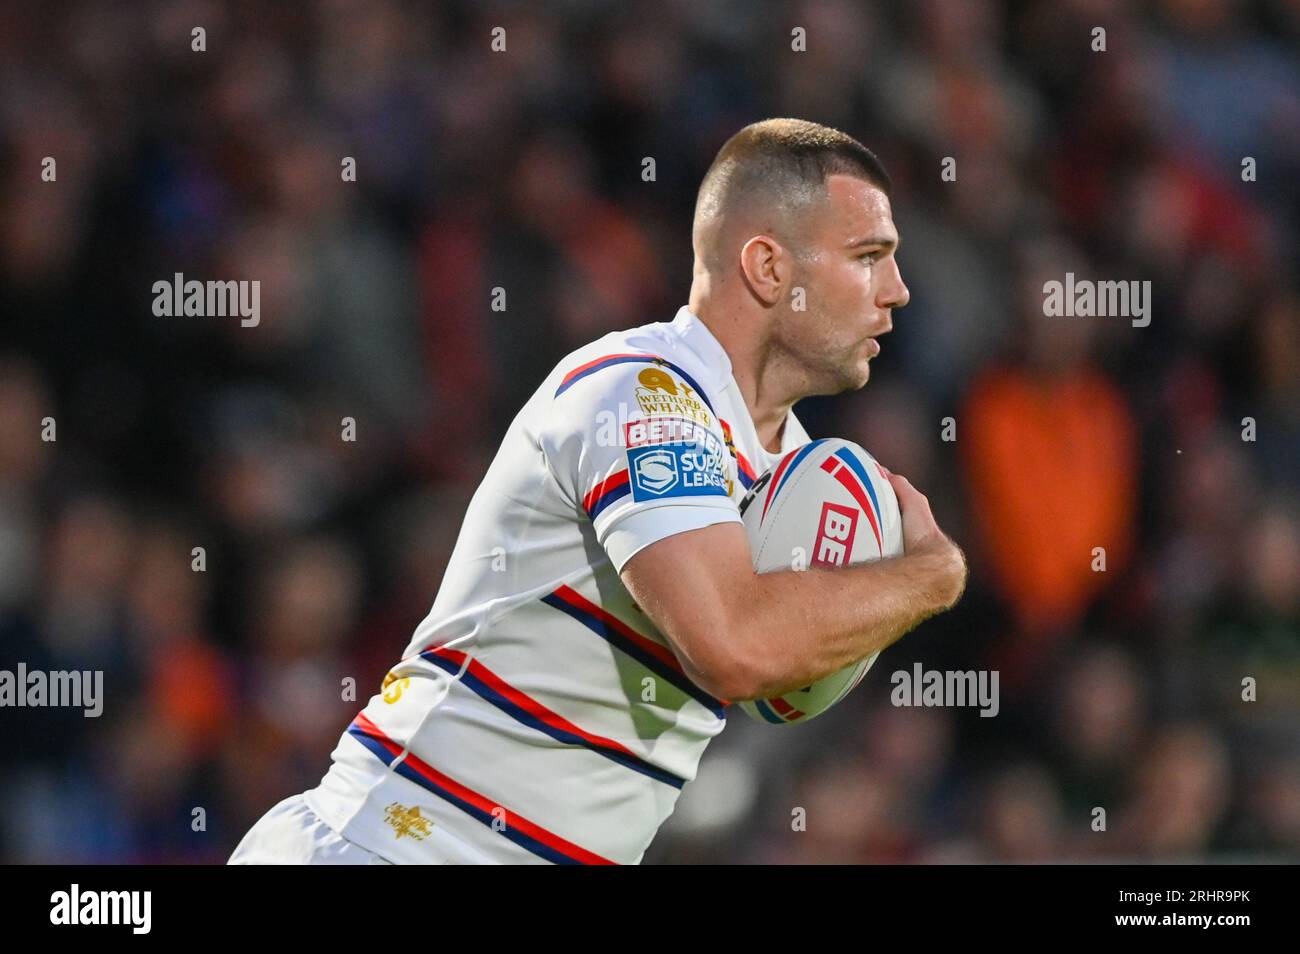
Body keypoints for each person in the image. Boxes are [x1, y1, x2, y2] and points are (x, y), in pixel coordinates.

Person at [229, 117, 967, 865]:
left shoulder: (796, 473)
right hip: (401, 845)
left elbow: (778, 687)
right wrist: (928, 577)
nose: (899, 291)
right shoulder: (646, 394)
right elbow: (734, 649)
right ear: (769, 269)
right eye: (868, 257)